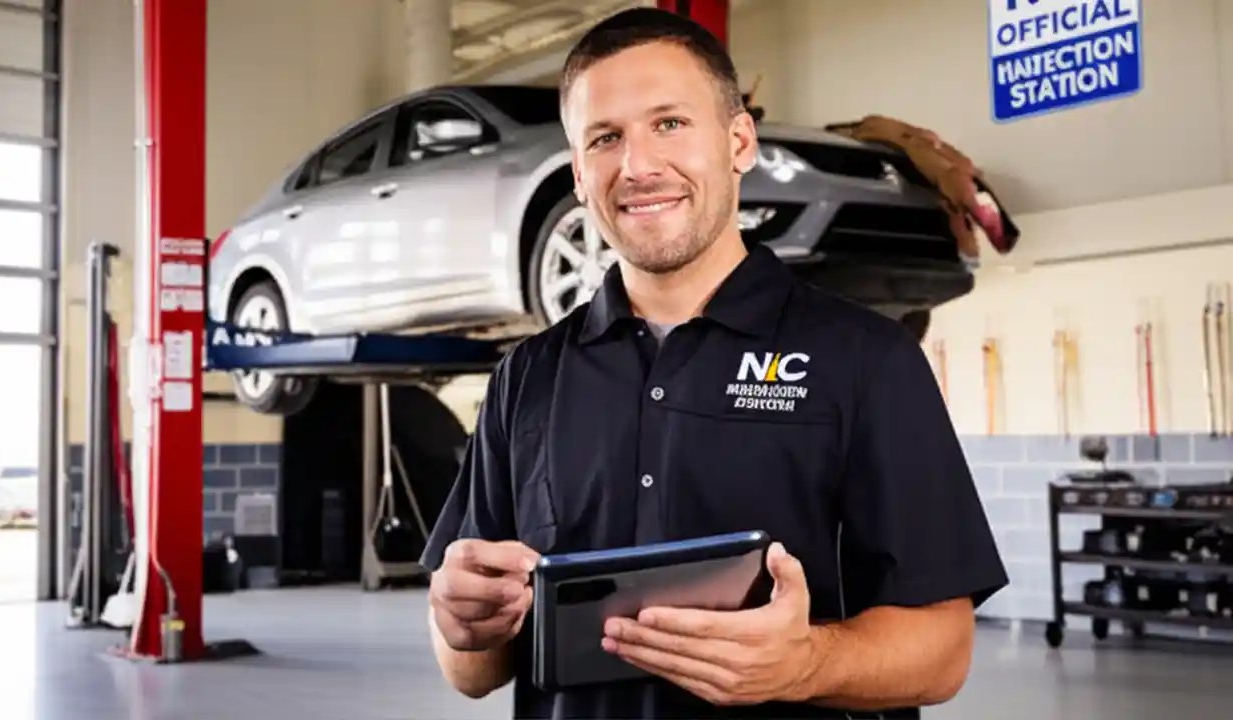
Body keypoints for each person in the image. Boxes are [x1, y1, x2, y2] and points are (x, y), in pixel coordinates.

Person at [419, 7, 1008, 719]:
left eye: (669, 123)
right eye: (605, 138)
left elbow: (943, 652)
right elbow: (472, 670)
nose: (638, 166)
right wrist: (461, 624)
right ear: (578, 173)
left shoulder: (867, 360)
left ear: (739, 142)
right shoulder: (526, 378)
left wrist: (804, 665)